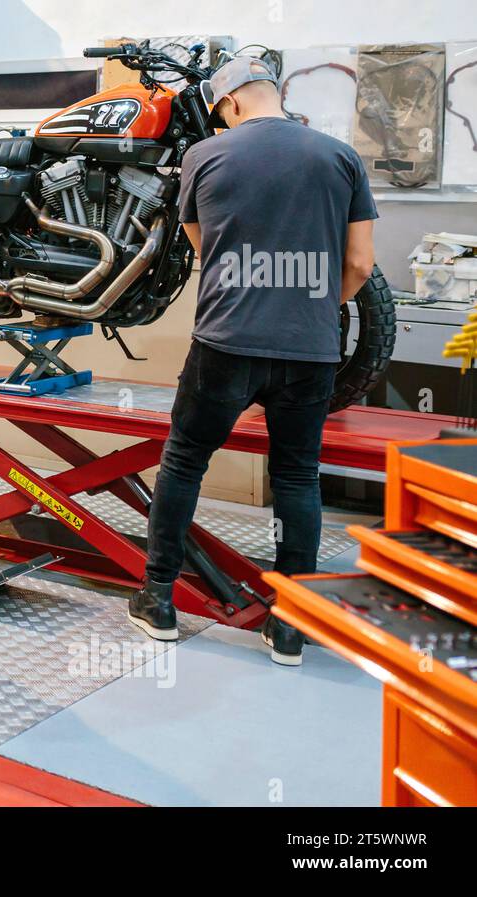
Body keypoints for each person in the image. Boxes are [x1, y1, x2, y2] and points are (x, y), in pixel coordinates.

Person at [127, 57, 378, 666]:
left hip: (226, 343)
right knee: (298, 477)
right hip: (308, 349)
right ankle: (289, 625)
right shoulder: (340, 157)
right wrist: (315, 305)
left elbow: (204, 247)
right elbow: (361, 265)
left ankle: (158, 600)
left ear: (232, 103)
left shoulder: (204, 158)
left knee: (185, 463)